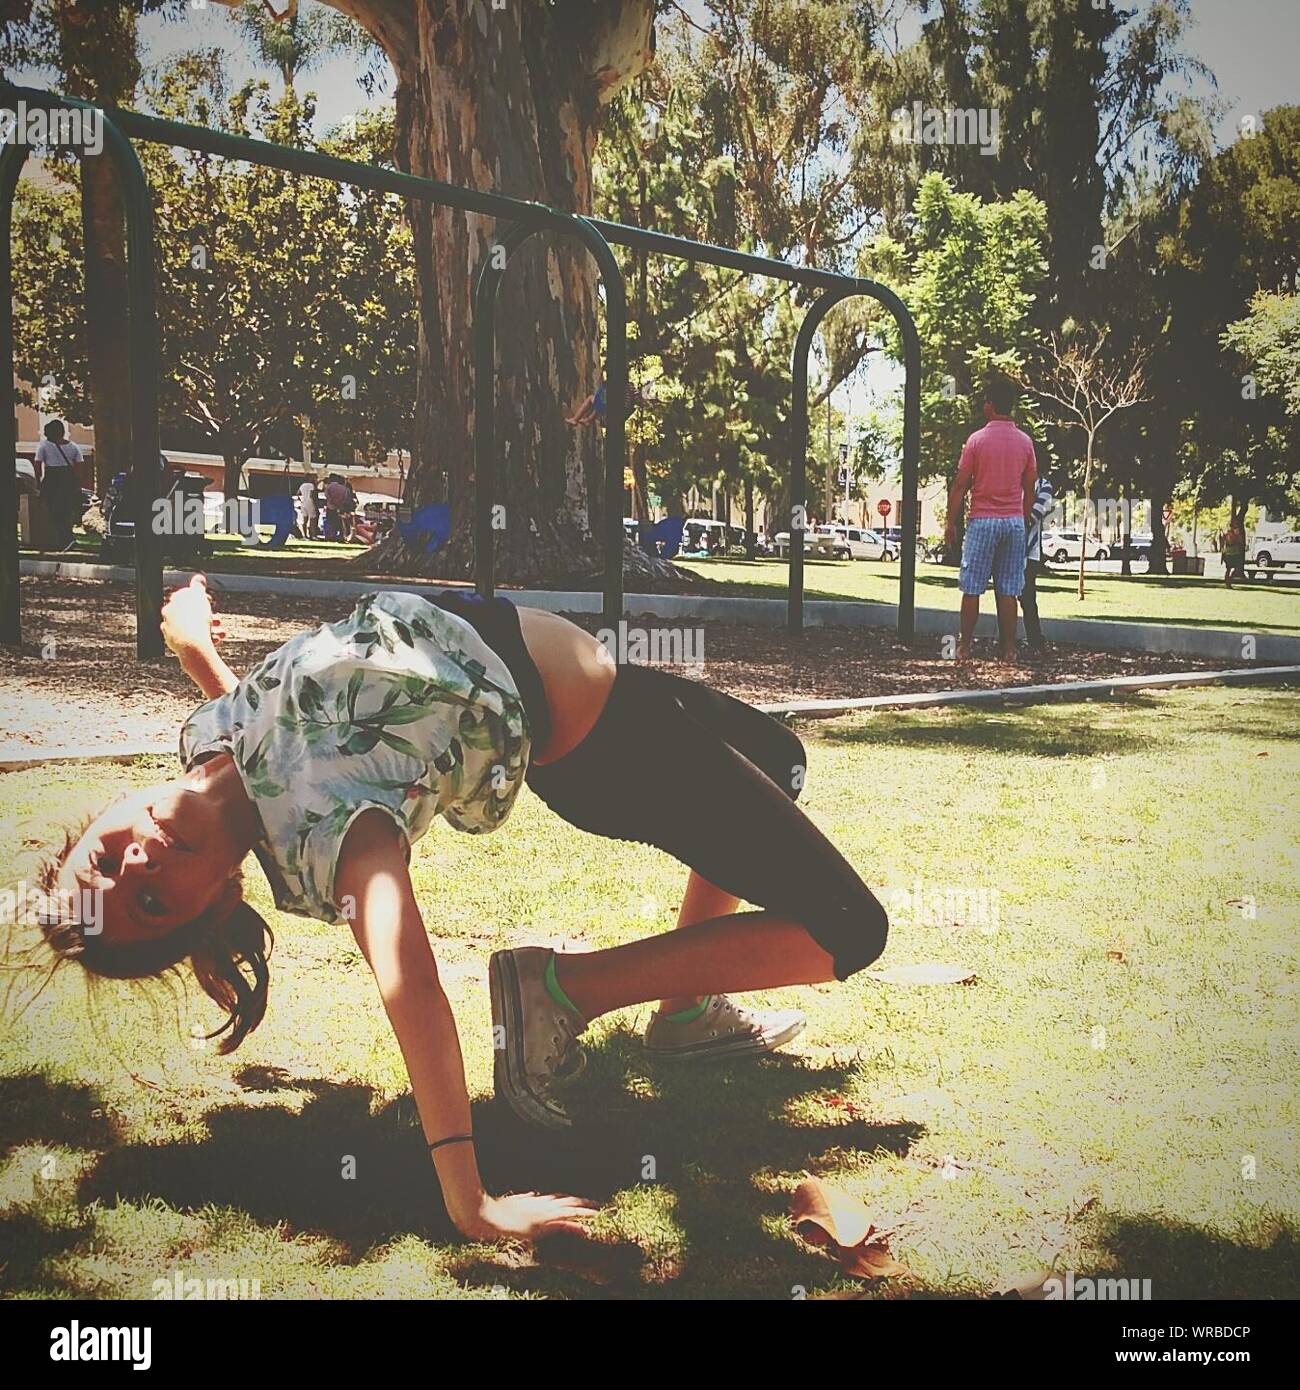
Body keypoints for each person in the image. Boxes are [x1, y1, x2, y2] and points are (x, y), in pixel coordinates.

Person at [33, 577, 889, 1245]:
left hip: (608, 689)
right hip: (606, 745)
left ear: (108, 814)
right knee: (851, 930)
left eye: (106, 860)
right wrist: (470, 1199)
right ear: (215, 897)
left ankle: (686, 1013)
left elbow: (275, 727)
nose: (138, 863)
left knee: (776, 762)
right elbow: (407, 981)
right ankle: (563, 991)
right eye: (150, 903)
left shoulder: (211, 739)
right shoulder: (338, 836)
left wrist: (190, 636)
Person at [945, 376, 1038, 662]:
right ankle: (1009, 649)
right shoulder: (1025, 442)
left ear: (990, 406)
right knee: (1008, 588)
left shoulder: (976, 440)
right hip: (1012, 522)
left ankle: (964, 647)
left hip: (982, 520)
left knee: (972, 587)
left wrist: (951, 521)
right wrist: (1021, 518)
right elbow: (1030, 486)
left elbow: (960, 484)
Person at [1020, 469, 1055, 657]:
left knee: (1027, 597)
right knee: (1006, 595)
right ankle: (1007, 640)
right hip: (1010, 549)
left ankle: (1035, 640)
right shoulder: (1012, 480)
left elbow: (1034, 515)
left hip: (1028, 552)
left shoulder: (1043, 485)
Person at [33, 419, 83, 548]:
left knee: (53, 510)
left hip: (52, 479)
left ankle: (66, 538)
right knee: (66, 510)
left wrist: (38, 483)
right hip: (67, 480)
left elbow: (38, 465)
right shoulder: (73, 447)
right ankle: (66, 537)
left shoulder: (43, 446)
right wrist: (76, 484)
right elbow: (79, 467)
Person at [1221, 518, 1246, 588]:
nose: (1236, 528)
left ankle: (1229, 581)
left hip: (1234, 554)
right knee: (1230, 569)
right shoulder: (1230, 534)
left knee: (1235, 569)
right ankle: (1228, 582)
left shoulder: (1231, 534)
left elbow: (1240, 542)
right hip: (1230, 554)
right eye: (1235, 526)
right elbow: (1229, 542)